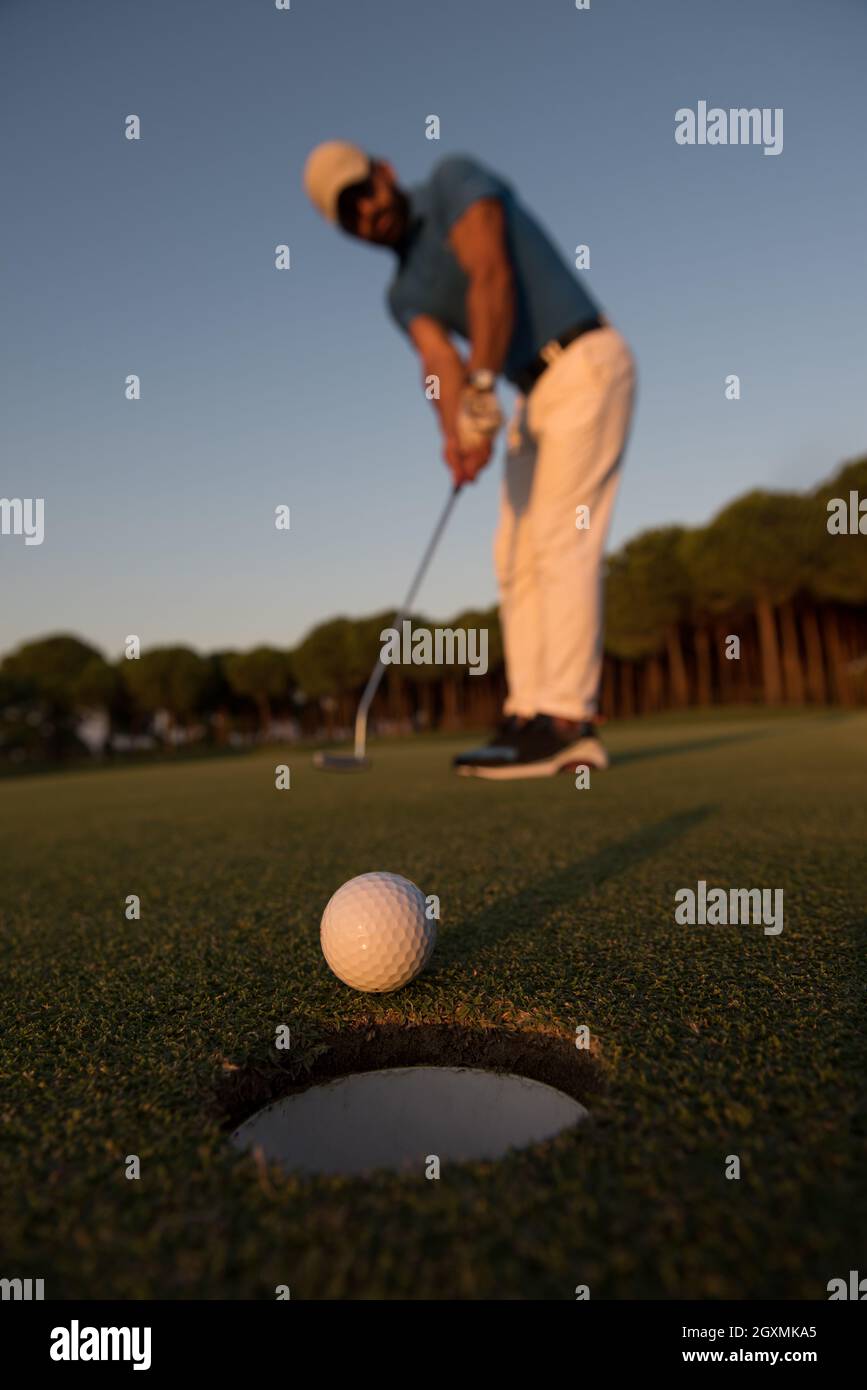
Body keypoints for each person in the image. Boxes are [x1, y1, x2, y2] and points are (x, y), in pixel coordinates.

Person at [303, 142, 636, 778]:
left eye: (365, 192)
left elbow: (491, 273)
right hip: (530, 393)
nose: (369, 212)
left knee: (561, 538)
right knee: (513, 554)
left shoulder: (455, 180)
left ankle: (568, 720)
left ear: (385, 171)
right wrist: (457, 433)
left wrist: (480, 387)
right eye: (350, 215)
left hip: (585, 360)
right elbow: (438, 362)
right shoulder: (401, 293)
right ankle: (528, 713)